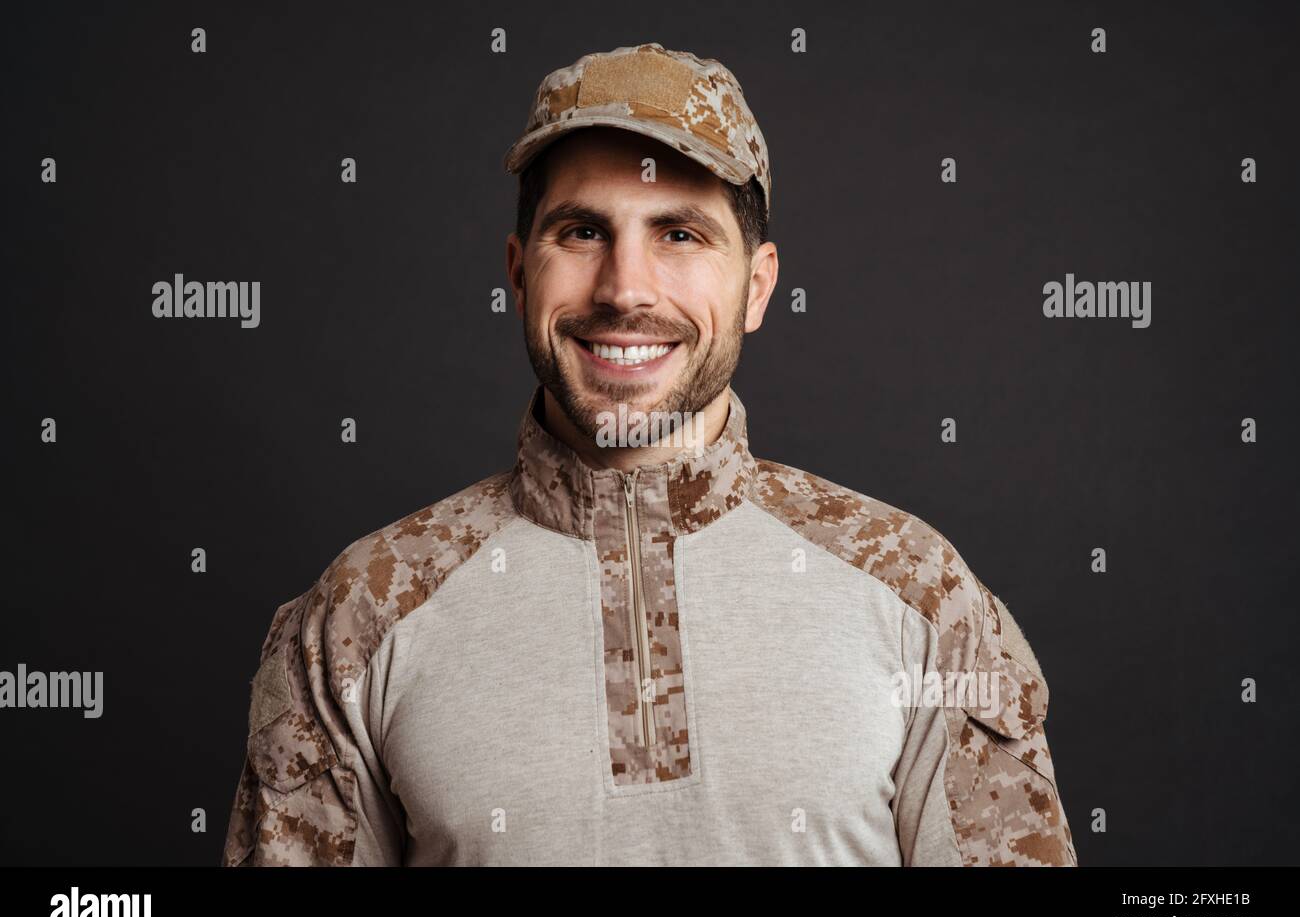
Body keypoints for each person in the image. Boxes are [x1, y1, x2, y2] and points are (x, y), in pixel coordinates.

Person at [221, 41, 1077, 866]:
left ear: (759, 285)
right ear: (519, 273)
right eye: (583, 232)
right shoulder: (358, 619)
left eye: (680, 234)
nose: (626, 287)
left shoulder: (923, 599)